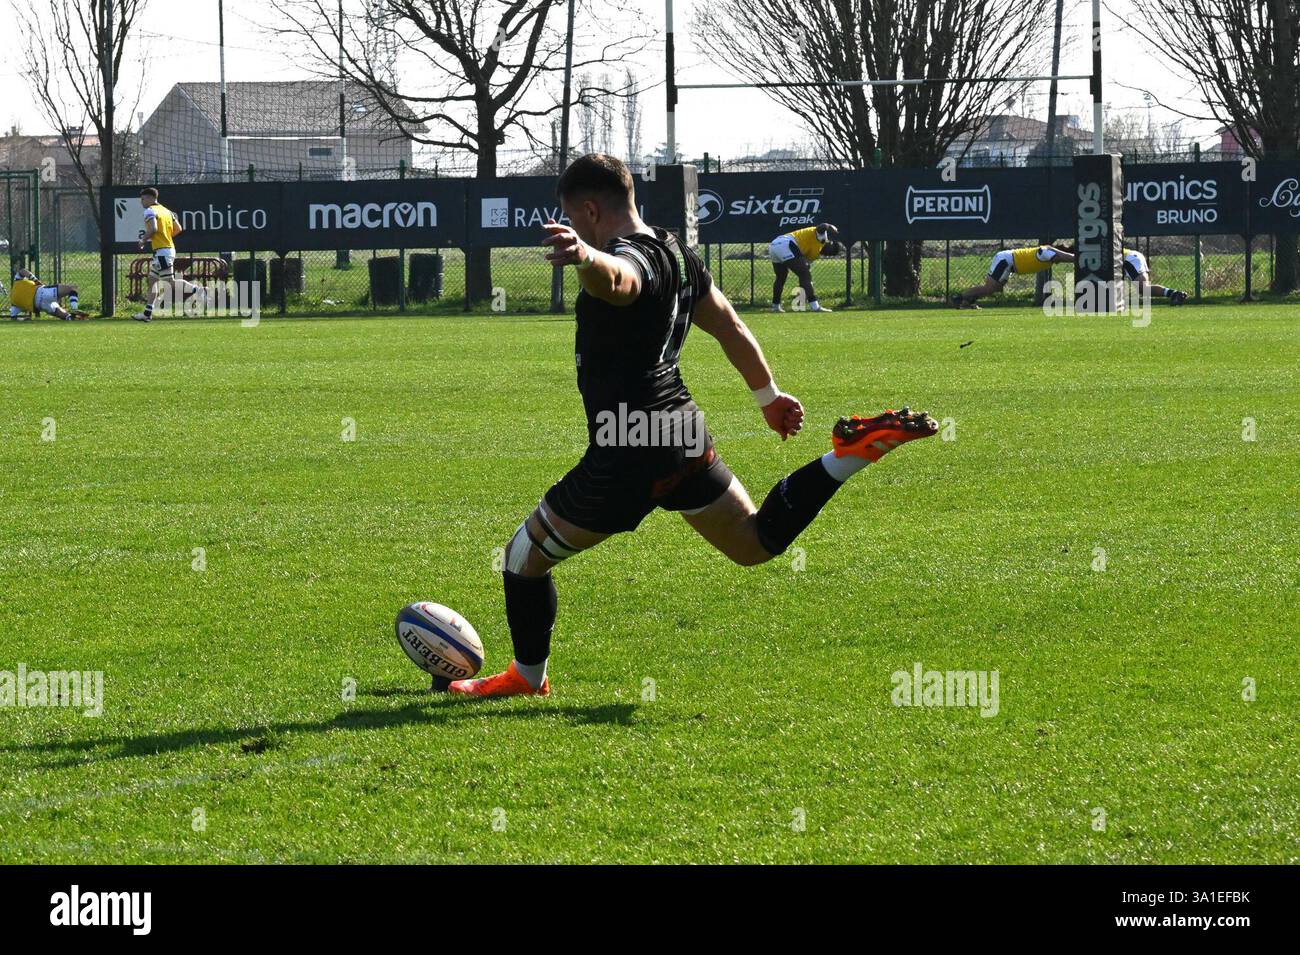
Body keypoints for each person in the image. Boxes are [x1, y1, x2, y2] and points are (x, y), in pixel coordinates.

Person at [447, 155, 936, 698]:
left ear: (588, 210)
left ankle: (526, 678)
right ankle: (852, 453)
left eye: (572, 216)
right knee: (754, 543)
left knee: (523, 558)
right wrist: (768, 397)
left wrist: (584, 255)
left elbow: (620, 283)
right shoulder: (678, 252)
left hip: (627, 444)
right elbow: (728, 323)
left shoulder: (629, 256)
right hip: (679, 431)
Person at [133, 187, 206, 322]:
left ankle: (199, 290)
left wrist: (143, 240)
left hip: (162, 251)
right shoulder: (167, 211)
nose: (141, 202)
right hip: (166, 250)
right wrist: (165, 236)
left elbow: (153, 229)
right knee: (152, 281)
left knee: (170, 282)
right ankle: (147, 313)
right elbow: (178, 228)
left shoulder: (150, 211)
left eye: (143, 199)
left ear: (150, 198)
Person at [952, 244, 1076, 308]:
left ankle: (967, 301)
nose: (1059, 262)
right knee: (989, 288)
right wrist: (1077, 259)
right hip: (1006, 260)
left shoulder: (1048, 256)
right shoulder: (1045, 252)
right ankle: (959, 298)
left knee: (995, 289)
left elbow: (1060, 257)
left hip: (1010, 264)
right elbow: (1060, 256)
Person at [768, 222, 841, 312]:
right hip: (786, 244)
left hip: (774, 245)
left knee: (781, 277)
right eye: (830, 251)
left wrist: (803, 293)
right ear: (830, 243)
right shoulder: (822, 236)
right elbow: (823, 226)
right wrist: (831, 226)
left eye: (830, 254)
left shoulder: (815, 253)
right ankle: (815, 307)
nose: (827, 254)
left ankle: (775, 306)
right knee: (805, 275)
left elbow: (804, 271)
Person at [7, 267, 82, 321]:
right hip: (42, 293)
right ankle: (74, 309)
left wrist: (23, 319)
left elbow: (13, 318)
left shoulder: (14, 303)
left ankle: (70, 317)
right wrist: (35, 280)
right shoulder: (17, 281)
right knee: (73, 288)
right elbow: (22, 271)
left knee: (61, 313)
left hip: (40, 306)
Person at [1122, 247, 1188, 305]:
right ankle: (1174, 294)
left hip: (1129, 259)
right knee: (1143, 290)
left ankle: (1176, 294)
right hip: (1130, 258)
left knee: (1144, 288)